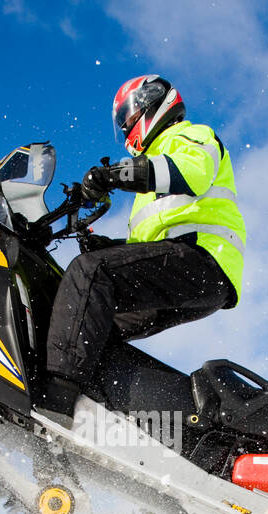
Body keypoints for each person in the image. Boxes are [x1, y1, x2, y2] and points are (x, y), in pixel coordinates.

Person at [37, 74, 246, 423]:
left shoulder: (189, 135)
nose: (128, 128)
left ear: (151, 103)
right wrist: (109, 246)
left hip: (205, 258)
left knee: (90, 272)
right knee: (89, 322)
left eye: (129, 117)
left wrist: (113, 175)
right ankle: (178, 426)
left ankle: (55, 405)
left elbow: (191, 173)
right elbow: (148, 250)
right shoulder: (152, 175)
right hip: (184, 266)